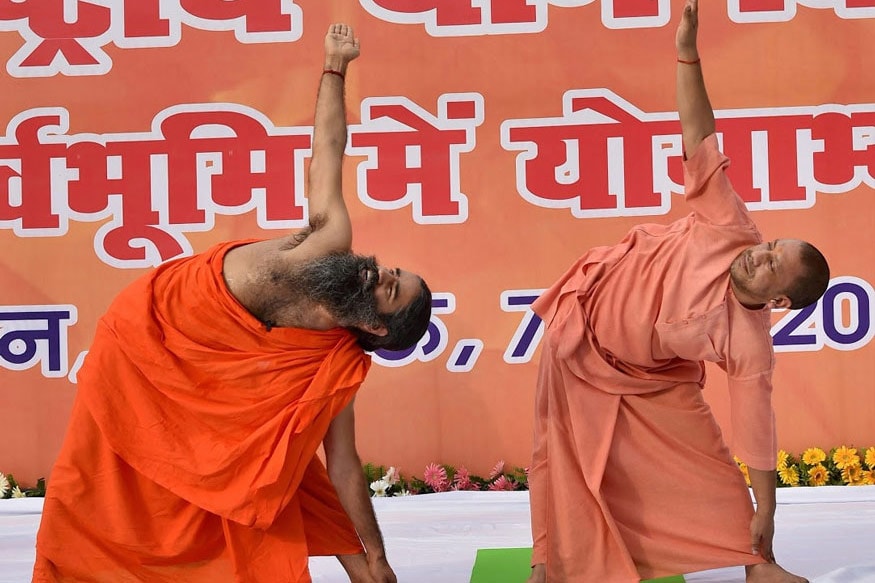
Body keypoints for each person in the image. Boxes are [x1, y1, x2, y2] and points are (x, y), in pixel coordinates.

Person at [33, 24, 430, 583]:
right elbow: (326, 151)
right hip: (147, 332)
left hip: (207, 379)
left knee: (263, 467)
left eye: (390, 288)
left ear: (377, 328)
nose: (382, 272)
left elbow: (342, 466)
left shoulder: (333, 364)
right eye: (394, 271)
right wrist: (335, 66)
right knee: (102, 479)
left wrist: (377, 556)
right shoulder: (329, 241)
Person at [525, 2, 827, 582]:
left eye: (771, 265)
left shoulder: (750, 343)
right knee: (560, 454)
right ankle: (547, 566)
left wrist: (768, 509)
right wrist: (687, 54)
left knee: (710, 466)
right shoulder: (731, 226)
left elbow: (756, 433)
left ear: (779, 302)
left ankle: (759, 565)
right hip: (578, 333)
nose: (758, 254)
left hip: (650, 376)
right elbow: (699, 137)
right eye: (770, 246)